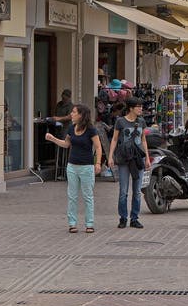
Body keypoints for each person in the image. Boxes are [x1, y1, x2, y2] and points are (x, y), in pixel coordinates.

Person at [45, 104, 101, 233]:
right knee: (72, 196)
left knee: (88, 196)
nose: (71, 114)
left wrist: (97, 163)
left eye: (74, 112)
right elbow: (66, 144)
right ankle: (72, 223)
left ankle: (89, 224)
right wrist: (53, 139)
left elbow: (98, 147)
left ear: (81, 115)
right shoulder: (71, 128)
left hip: (86, 167)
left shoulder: (91, 129)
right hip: (72, 167)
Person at [108, 97, 151, 229]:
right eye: (138, 107)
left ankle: (134, 218)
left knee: (137, 191)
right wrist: (110, 157)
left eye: (141, 107)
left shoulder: (142, 121)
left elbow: (143, 140)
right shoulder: (120, 122)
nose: (141, 109)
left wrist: (147, 158)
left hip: (138, 158)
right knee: (123, 191)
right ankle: (123, 218)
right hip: (124, 158)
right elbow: (115, 139)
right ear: (131, 108)